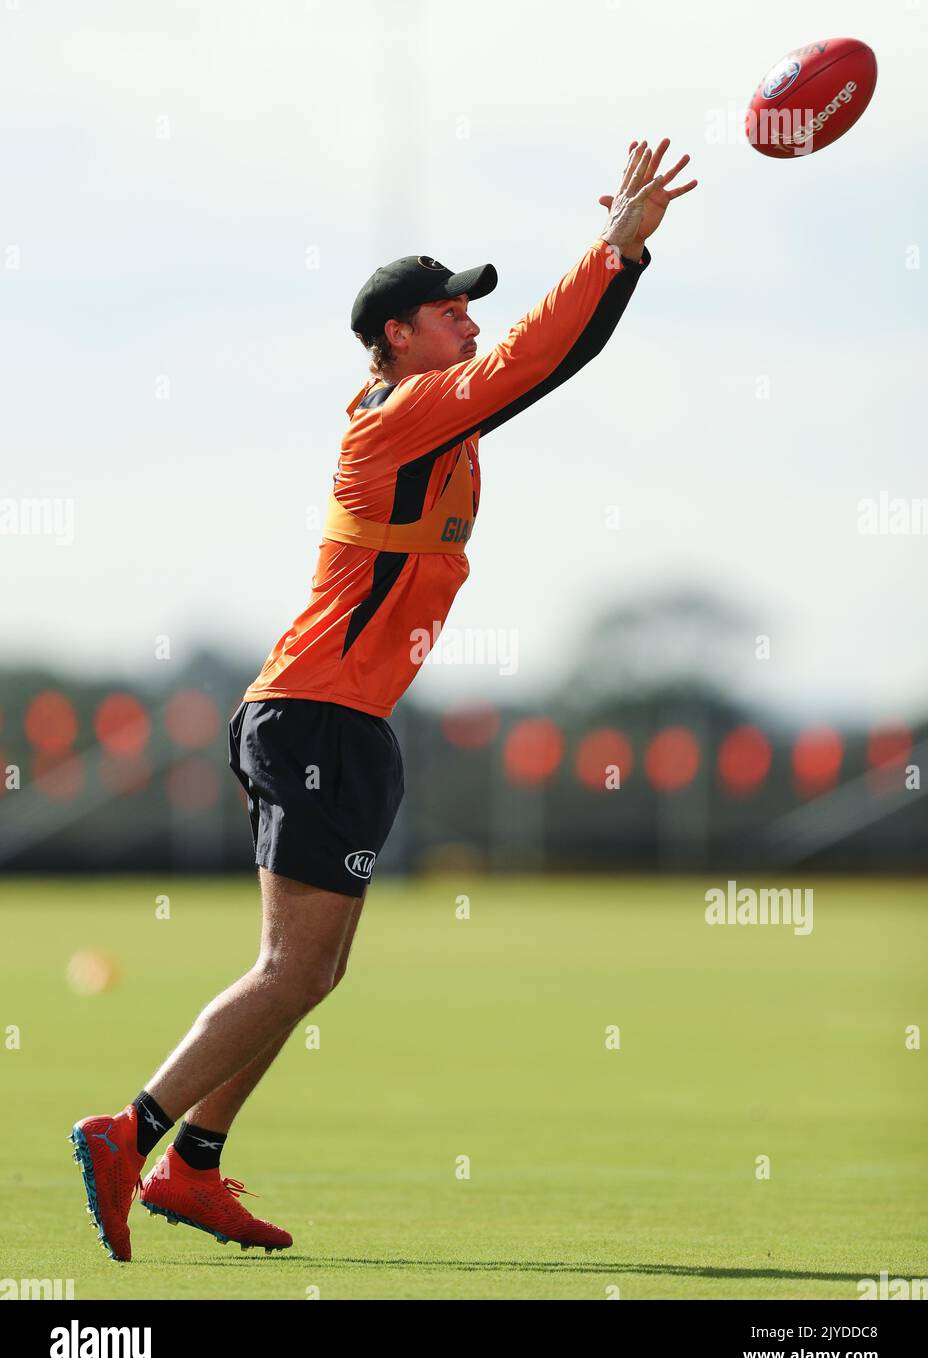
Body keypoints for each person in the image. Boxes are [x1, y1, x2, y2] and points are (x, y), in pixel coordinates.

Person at [70, 139, 697, 1260]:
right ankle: (131, 1131)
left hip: (338, 720)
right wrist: (612, 250)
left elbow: (542, 363)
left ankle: (194, 1169)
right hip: (313, 715)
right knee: (291, 967)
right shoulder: (401, 413)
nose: (469, 322)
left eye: (469, 308)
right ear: (397, 335)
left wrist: (624, 263)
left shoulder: (431, 412)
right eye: (450, 311)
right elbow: (536, 357)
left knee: (312, 970)